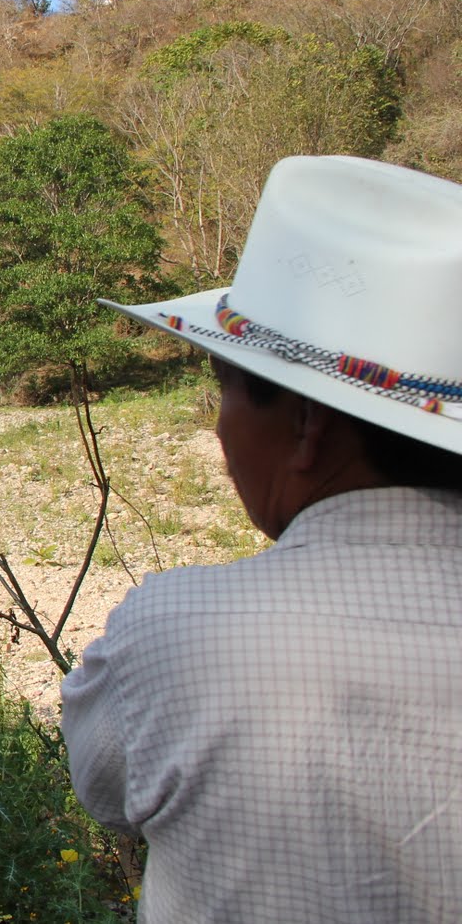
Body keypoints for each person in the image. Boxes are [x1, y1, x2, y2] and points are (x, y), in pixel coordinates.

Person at [61, 155, 462, 923]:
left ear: (307, 428)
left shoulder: (177, 633)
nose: (219, 425)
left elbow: (100, 779)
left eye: (225, 387)